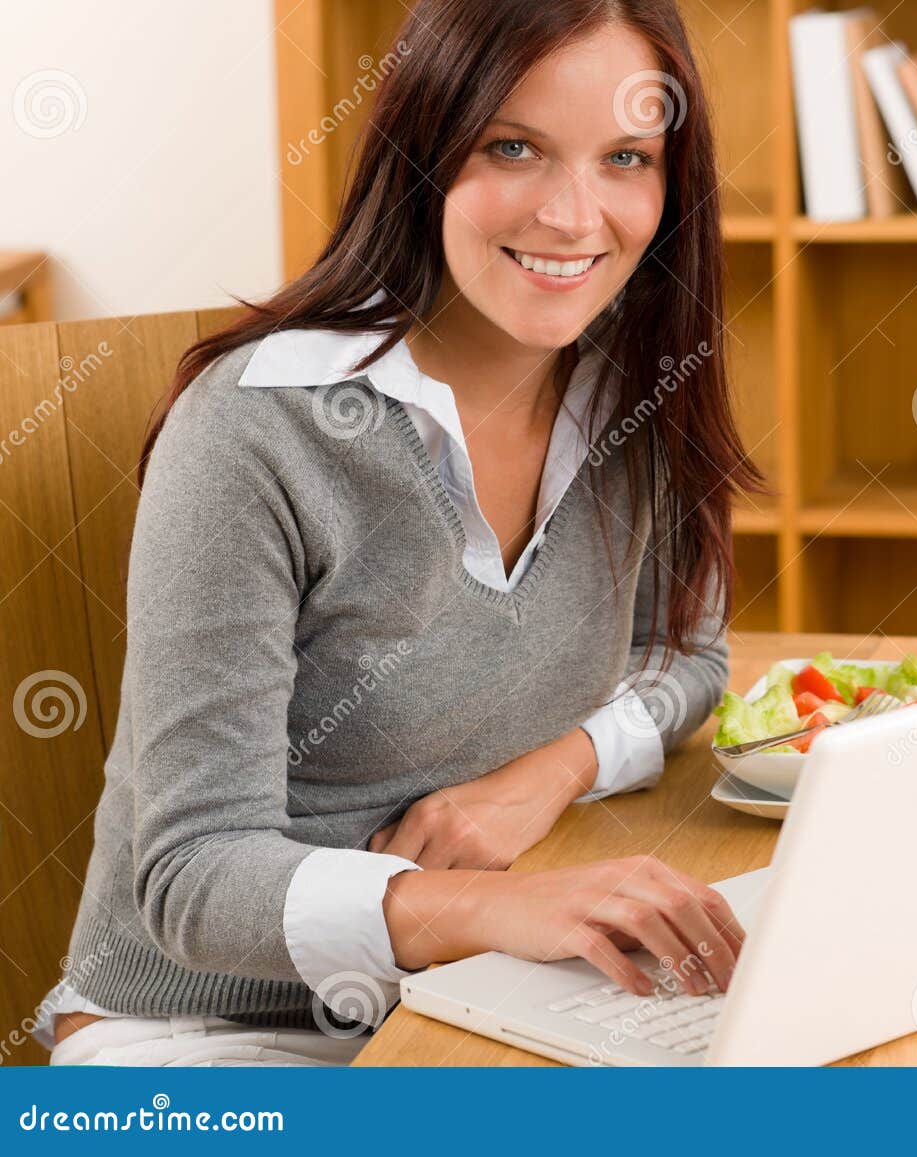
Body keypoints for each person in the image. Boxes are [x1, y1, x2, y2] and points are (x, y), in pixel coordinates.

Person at [42, 0, 758, 1067]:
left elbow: (686, 656)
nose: (574, 214)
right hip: (206, 1034)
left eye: (624, 157)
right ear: (420, 153)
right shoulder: (259, 425)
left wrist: (552, 771)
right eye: (513, 147)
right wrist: (481, 906)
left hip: (462, 1002)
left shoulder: (636, 396)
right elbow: (194, 873)